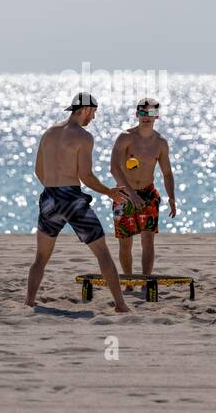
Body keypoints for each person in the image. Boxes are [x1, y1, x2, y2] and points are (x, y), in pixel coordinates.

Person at [27, 93, 134, 313]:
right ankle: (121, 305)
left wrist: (54, 189)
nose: (93, 118)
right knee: (102, 252)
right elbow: (86, 176)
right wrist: (109, 192)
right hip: (71, 198)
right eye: (93, 113)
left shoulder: (49, 133)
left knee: (41, 257)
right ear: (85, 109)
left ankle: (29, 301)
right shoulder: (83, 137)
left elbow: (39, 170)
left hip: (49, 197)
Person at [109, 97, 176, 278]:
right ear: (137, 114)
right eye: (143, 113)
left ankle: (145, 280)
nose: (147, 117)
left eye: (152, 113)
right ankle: (129, 280)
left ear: (157, 116)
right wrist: (131, 194)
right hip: (124, 194)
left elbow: (167, 173)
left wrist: (172, 198)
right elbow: (114, 168)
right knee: (125, 244)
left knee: (148, 241)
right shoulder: (126, 138)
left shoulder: (160, 143)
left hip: (148, 194)